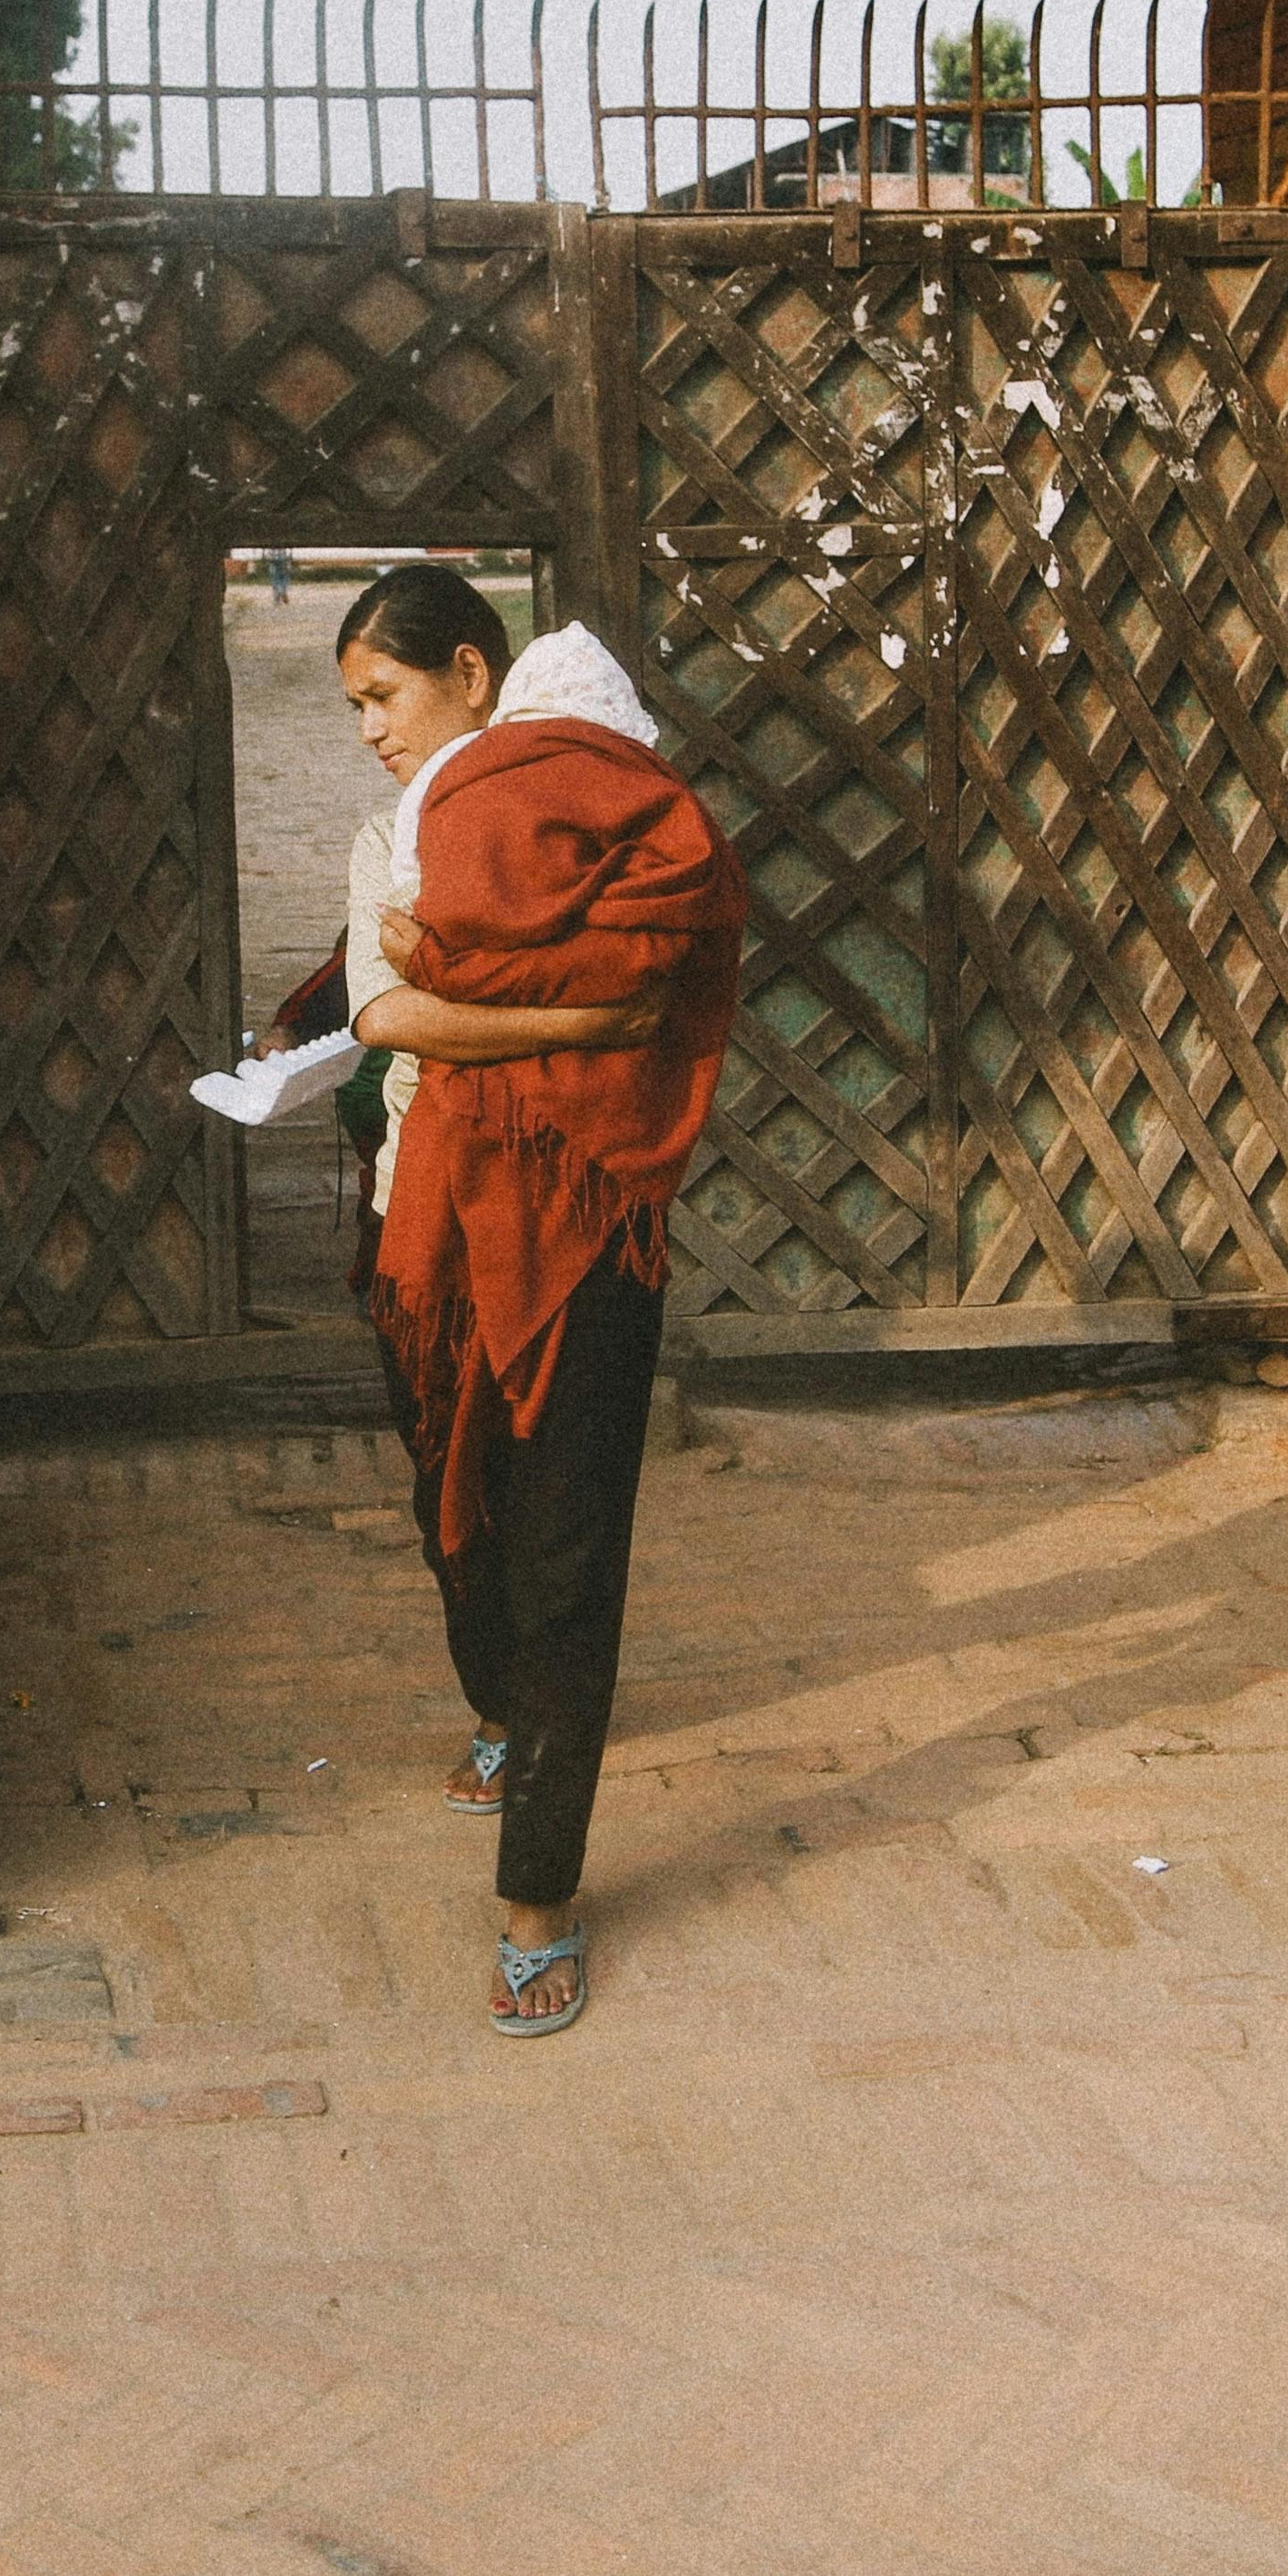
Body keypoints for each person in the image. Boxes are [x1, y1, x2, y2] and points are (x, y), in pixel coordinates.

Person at [334, 567, 746, 2036]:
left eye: (384, 697)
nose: (373, 730)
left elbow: (415, 995)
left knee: (564, 1561)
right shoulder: (420, 834)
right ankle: (510, 1732)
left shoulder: (594, 860)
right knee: (485, 1521)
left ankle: (538, 1904)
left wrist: (442, 1007)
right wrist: (569, 1016)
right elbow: (380, 1006)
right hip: (452, 1237)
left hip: (570, 1252)